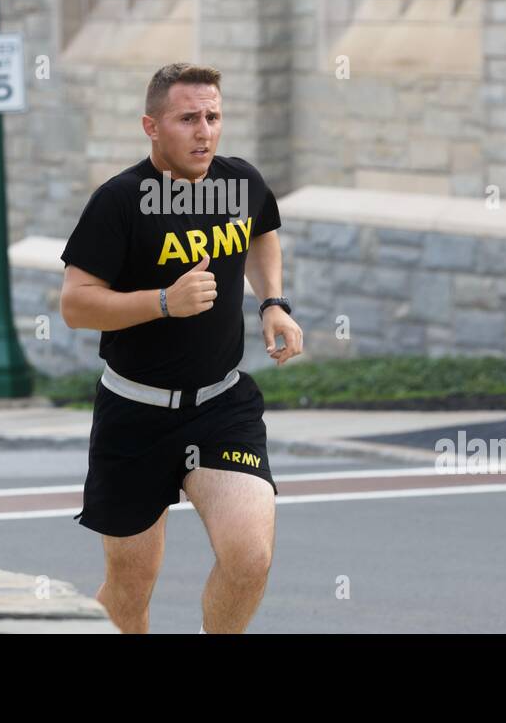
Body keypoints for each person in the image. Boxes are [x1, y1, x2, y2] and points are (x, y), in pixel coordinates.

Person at [59, 62, 304, 634]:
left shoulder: (240, 182)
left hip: (222, 405)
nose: (204, 131)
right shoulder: (119, 201)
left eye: (213, 117)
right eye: (188, 118)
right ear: (151, 125)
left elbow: (262, 230)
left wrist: (272, 302)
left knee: (249, 558)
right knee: (131, 584)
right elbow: (75, 304)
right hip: (134, 411)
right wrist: (162, 301)